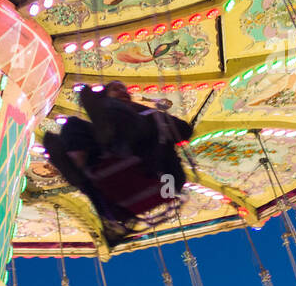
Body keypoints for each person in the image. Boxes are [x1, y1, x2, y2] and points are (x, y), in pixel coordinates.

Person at [43, 81, 194, 226]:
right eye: (116, 89)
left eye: (125, 90)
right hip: (126, 191)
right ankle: (78, 165)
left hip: (163, 179)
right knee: (73, 124)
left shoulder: (146, 116)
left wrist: (135, 107)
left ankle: (81, 170)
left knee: (134, 119)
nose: (123, 92)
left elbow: (185, 131)